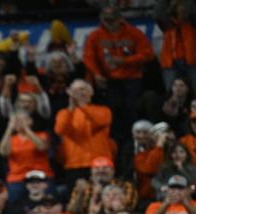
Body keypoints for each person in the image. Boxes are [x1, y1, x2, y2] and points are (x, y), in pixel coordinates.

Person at [82, 7, 154, 141]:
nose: (109, 24)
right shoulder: (95, 35)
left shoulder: (134, 33)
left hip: (132, 77)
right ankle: (112, 139)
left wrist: (124, 60)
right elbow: (88, 57)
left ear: (120, 19)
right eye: (106, 20)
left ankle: (134, 138)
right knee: (109, 110)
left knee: (131, 108)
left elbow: (148, 54)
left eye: (112, 20)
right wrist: (96, 74)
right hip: (108, 79)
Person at [54, 80, 113, 187]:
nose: (79, 93)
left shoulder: (103, 110)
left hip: (101, 164)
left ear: (91, 92)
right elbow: (59, 130)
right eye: (75, 90)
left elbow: (101, 121)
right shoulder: (64, 113)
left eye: (82, 89)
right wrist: (71, 108)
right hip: (75, 164)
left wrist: (82, 106)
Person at [0, 111, 53, 204]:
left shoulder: (42, 135)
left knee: (47, 203)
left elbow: (41, 147)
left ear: (30, 121)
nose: (19, 122)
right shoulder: (11, 139)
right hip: (17, 178)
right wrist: (9, 128)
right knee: (15, 206)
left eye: (22, 119)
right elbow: (3, 152)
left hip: (40, 176)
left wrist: (25, 128)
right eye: (16, 120)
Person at [67, 157, 137, 214]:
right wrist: (80, 195)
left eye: (105, 167)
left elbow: (131, 206)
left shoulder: (126, 186)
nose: (101, 171)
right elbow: (72, 212)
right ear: (91, 171)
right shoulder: (82, 187)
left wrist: (101, 193)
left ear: (113, 171)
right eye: (97, 168)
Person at [156, 0, 197, 91]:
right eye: (181, 10)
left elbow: (192, 13)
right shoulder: (168, 24)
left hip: (193, 63)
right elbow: (158, 15)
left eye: (185, 11)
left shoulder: (193, 23)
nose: (184, 13)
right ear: (174, 11)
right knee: (172, 95)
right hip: (171, 64)